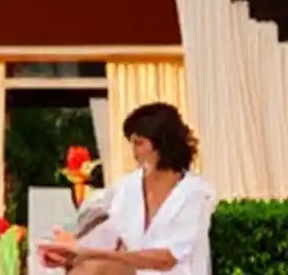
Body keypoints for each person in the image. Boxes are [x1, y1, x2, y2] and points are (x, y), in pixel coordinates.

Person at [37, 102, 217, 275]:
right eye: (132, 144)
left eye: (139, 144)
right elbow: (99, 228)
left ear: (163, 145)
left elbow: (165, 260)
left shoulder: (196, 194)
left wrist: (90, 253)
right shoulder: (126, 188)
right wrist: (68, 254)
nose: (134, 153)